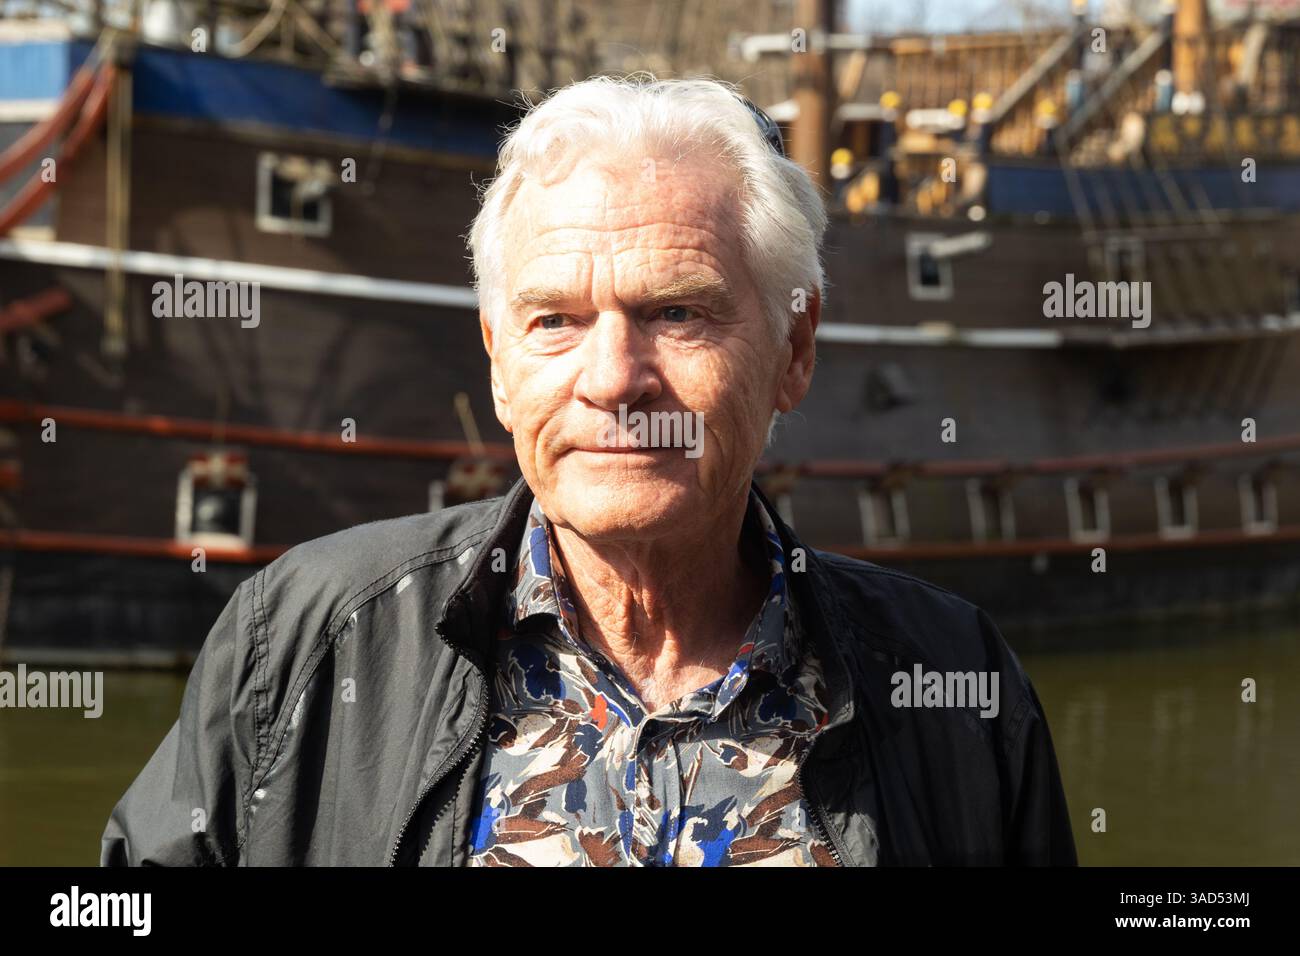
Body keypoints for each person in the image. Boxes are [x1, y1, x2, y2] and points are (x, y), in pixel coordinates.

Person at [102, 75, 1076, 866]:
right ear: (497, 359)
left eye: (677, 312)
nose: (613, 379)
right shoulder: (304, 641)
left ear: (794, 346)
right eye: (554, 320)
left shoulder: (955, 680)